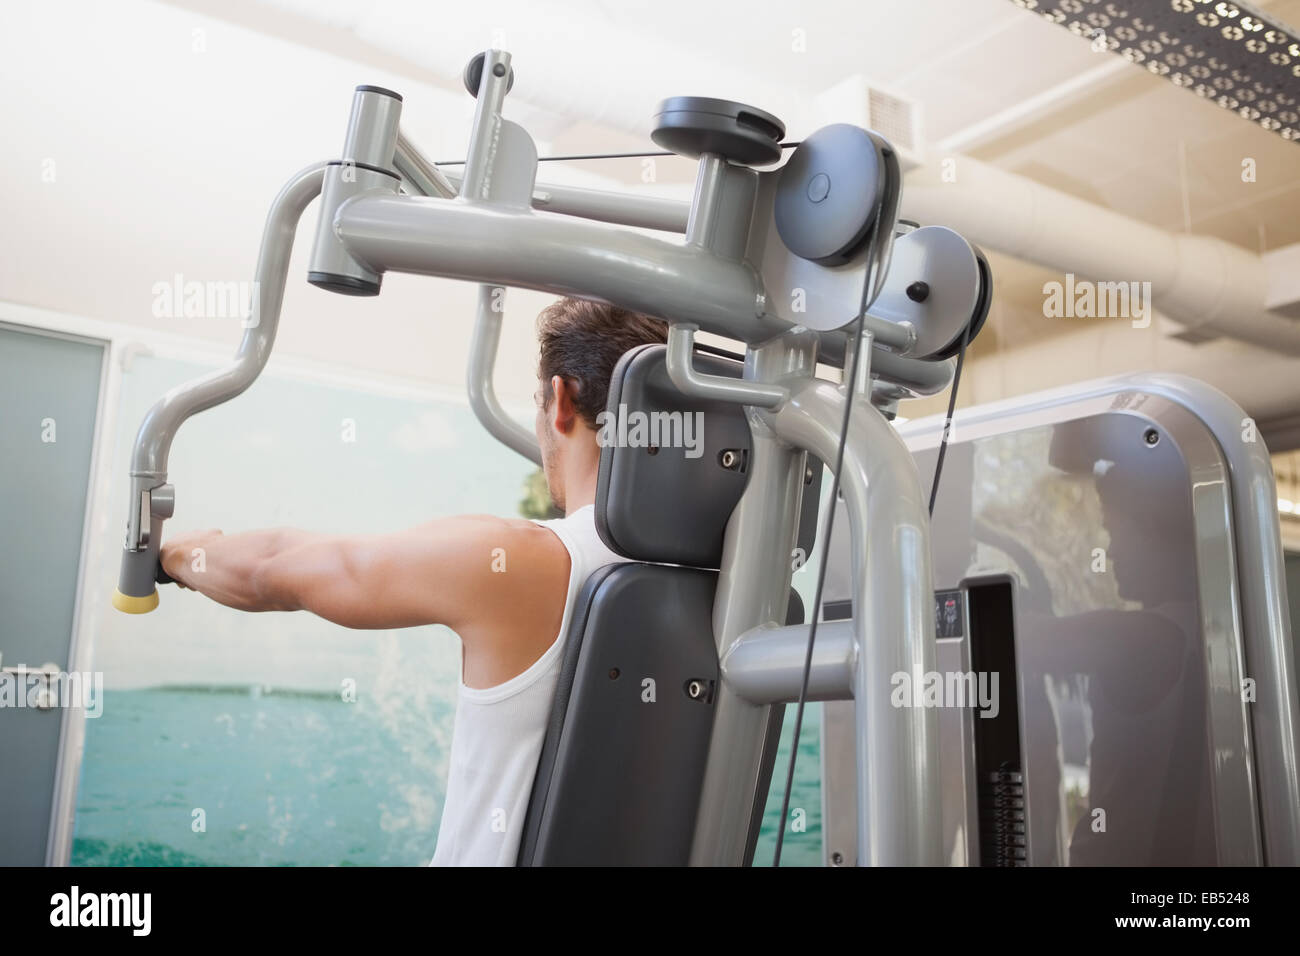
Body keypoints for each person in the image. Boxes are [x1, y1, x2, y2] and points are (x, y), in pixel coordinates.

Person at [158, 296, 669, 865]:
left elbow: (272, 569)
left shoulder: (523, 561)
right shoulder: (735, 586)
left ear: (561, 401)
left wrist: (178, 555)